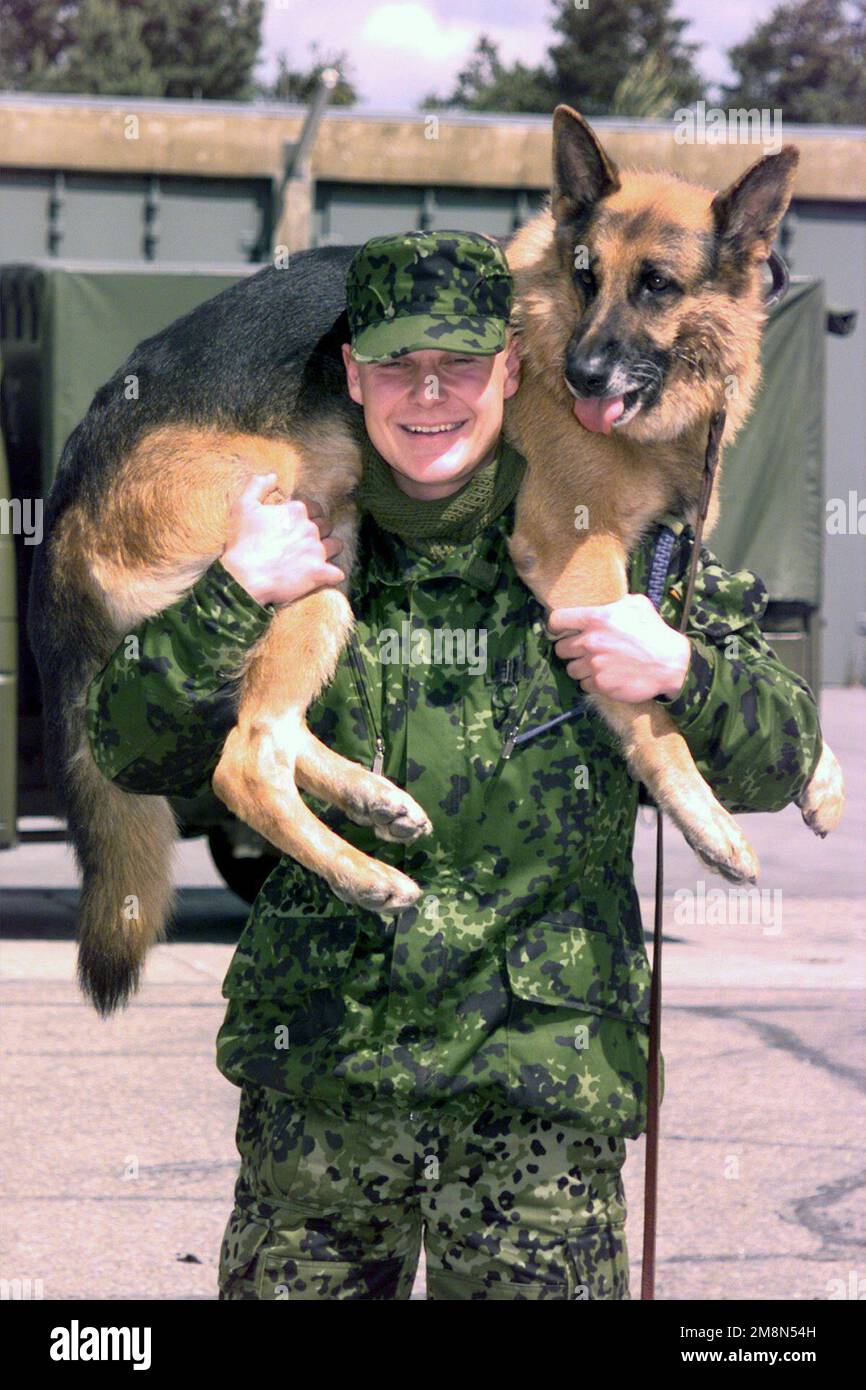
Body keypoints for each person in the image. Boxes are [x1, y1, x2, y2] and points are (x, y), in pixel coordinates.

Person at [85, 230, 822, 1300]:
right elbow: (131, 742)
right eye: (396, 365)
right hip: (323, 1119)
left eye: (460, 365)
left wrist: (681, 670)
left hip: (539, 1132)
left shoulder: (600, 534)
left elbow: (777, 757)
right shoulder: (298, 535)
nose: (427, 393)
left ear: (511, 368)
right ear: (352, 375)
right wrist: (228, 596)